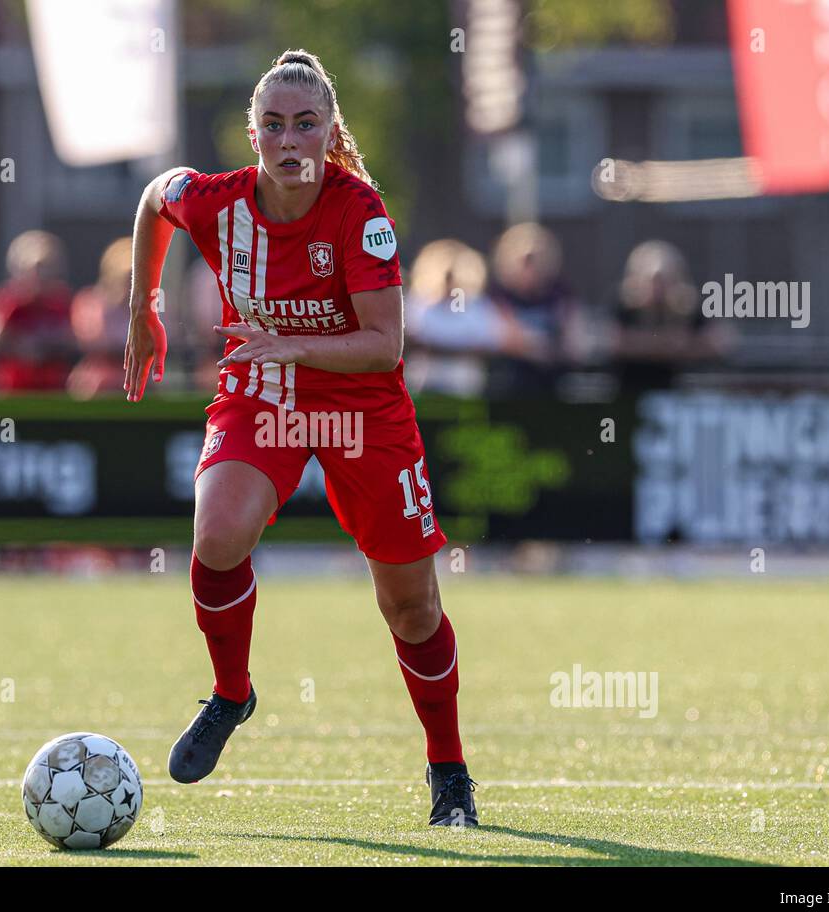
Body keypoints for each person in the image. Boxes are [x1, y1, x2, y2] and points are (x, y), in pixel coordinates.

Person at [122, 49, 477, 826]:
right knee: (216, 535)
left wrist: (294, 344)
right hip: (263, 391)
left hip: (362, 409)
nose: (289, 141)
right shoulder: (216, 200)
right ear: (252, 136)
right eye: (273, 125)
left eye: (305, 125)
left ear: (328, 133)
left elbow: (384, 346)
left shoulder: (361, 214)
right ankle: (230, 694)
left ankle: (448, 771)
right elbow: (156, 196)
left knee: (411, 608)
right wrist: (143, 305)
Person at [609, 240, 732, 391]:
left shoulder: (687, 309)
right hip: (631, 392)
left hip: (677, 395)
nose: (658, 287)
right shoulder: (625, 308)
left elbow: (720, 342)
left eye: (665, 280)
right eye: (654, 280)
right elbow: (614, 343)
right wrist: (668, 344)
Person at [405, 238, 516, 397]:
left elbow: (490, 341)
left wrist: (448, 348)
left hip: (464, 377)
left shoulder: (478, 306)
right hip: (426, 375)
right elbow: (413, 336)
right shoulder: (417, 304)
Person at [485, 222, 585, 396]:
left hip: (553, 386)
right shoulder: (498, 296)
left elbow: (573, 343)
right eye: (525, 260)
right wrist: (540, 349)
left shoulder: (561, 294)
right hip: (508, 385)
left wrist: (549, 350)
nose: (531, 266)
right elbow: (508, 340)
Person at [0, 230, 77, 393]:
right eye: (37, 268)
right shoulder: (4, 301)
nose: (41, 275)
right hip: (11, 389)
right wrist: (15, 341)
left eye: (48, 267)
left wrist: (48, 345)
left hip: (54, 390)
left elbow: (77, 340)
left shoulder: (62, 302)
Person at [68, 237, 134, 398]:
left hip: (139, 381)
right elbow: (93, 340)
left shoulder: (152, 305)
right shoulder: (89, 302)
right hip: (98, 385)